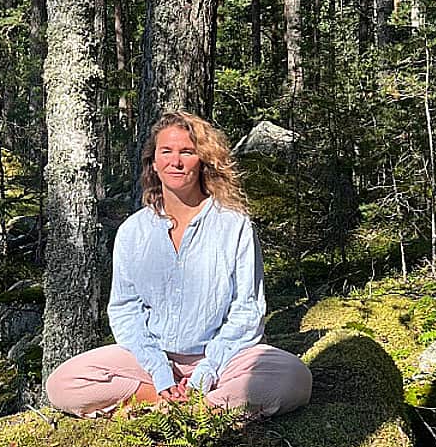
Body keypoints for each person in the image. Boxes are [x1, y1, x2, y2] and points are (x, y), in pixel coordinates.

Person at [46, 111, 312, 418]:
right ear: (153, 162)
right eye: (166, 152)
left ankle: (204, 405)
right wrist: (159, 373)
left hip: (226, 360)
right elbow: (125, 310)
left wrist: (206, 371)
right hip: (152, 361)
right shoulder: (133, 232)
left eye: (187, 151)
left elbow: (247, 309)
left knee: (294, 378)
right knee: (64, 384)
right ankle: (166, 402)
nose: (176, 161)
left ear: (202, 160)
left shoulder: (234, 225)